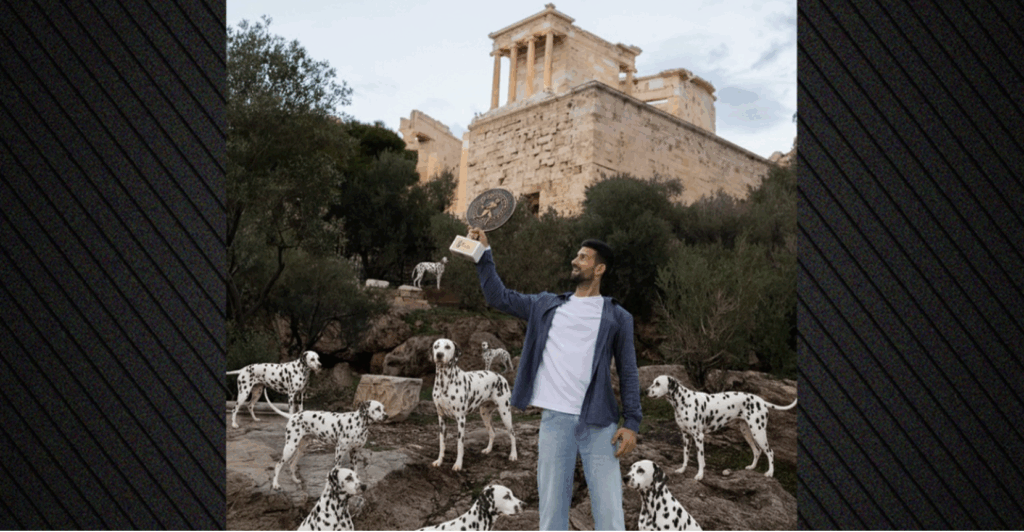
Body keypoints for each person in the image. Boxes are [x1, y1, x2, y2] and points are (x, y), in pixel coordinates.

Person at [466, 227, 642, 531]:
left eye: (583, 258)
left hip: (600, 424)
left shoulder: (617, 316)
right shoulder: (546, 305)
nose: (575, 260)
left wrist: (632, 423)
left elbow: (628, 371)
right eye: (576, 255)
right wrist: (483, 253)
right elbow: (498, 296)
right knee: (551, 512)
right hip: (555, 421)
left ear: (599, 269)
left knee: (610, 512)